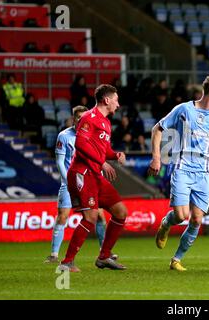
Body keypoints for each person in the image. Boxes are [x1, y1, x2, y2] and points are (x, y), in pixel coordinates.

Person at [148, 75, 209, 271]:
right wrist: (157, 157)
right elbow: (157, 130)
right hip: (183, 167)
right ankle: (166, 224)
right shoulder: (184, 109)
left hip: (204, 172)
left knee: (196, 219)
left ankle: (176, 259)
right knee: (181, 215)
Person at [59, 84, 128, 272]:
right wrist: (102, 161)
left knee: (120, 212)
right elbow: (80, 144)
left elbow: (103, 148)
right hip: (82, 173)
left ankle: (104, 256)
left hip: (95, 175)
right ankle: (66, 262)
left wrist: (114, 155)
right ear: (107, 100)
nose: (118, 104)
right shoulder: (89, 118)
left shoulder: (105, 122)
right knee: (90, 217)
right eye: (116, 99)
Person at [44, 106, 116, 263]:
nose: (81, 120)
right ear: (73, 118)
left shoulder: (93, 133)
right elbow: (60, 162)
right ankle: (54, 254)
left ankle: (104, 252)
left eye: (83, 117)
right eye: (78, 117)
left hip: (91, 181)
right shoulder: (64, 136)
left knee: (99, 216)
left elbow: (99, 157)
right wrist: (67, 181)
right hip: (70, 181)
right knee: (63, 216)